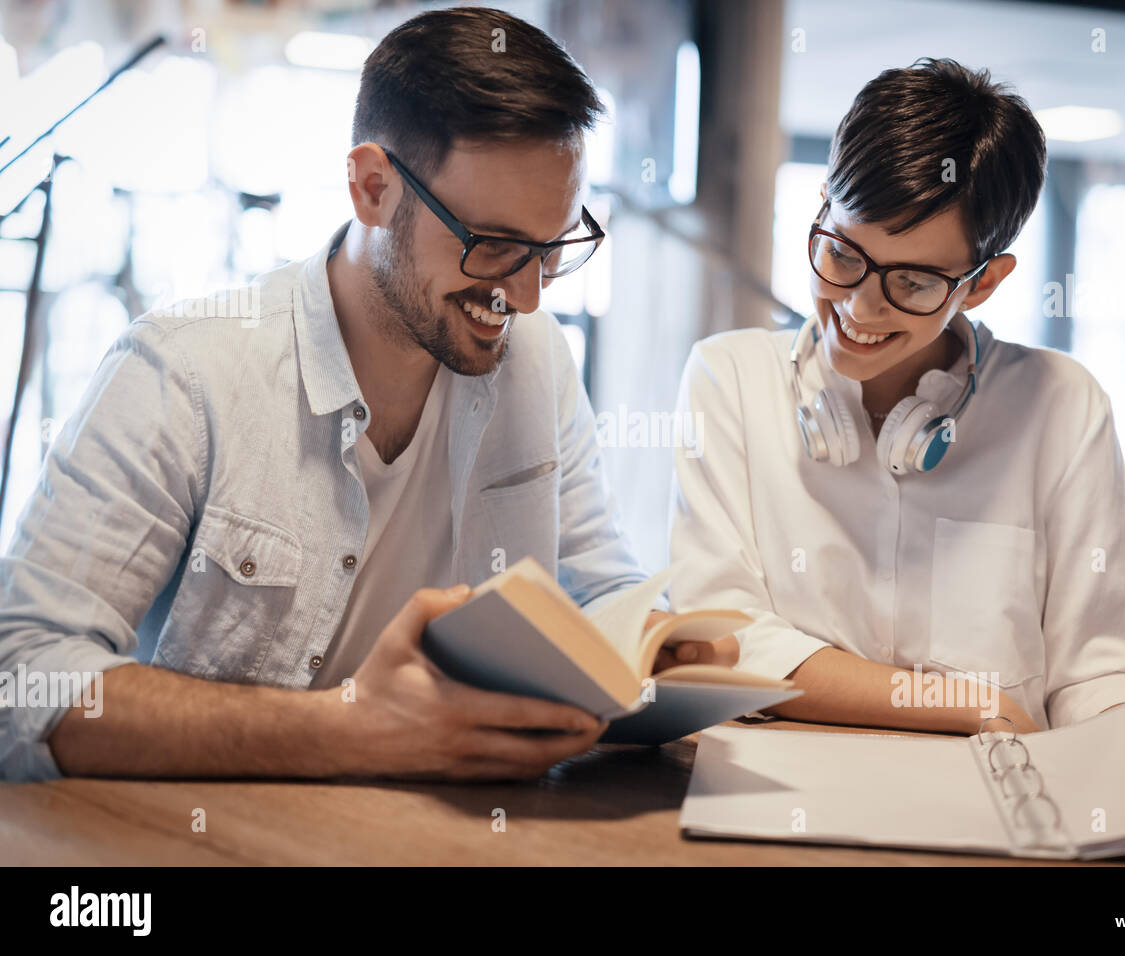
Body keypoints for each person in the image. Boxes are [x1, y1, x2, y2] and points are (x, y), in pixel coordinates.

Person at [0, 7, 729, 783]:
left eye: (552, 250)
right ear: (372, 187)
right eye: (493, 245)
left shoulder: (535, 361)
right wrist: (353, 730)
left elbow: (598, 589)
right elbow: (24, 679)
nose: (526, 296)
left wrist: (655, 642)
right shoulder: (183, 371)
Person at [667, 58, 1125, 735]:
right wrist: (972, 704)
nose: (860, 307)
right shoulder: (729, 379)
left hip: (999, 805)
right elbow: (720, 643)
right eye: (842, 255)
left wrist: (1116, 780)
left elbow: (1102, 671)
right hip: (779, 804)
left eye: (915, 283)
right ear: (820, 210)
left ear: (982, 284)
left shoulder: (1062, 406)